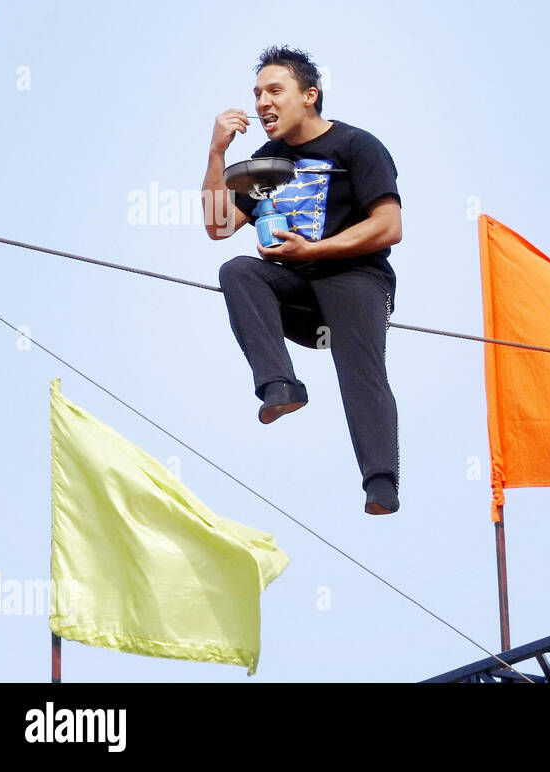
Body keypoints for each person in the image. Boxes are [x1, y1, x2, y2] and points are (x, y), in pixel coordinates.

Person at [201, 45, 402, 515]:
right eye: (257, 94)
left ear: (309, 95)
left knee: (360, 372)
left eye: (275, 90)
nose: (262, 103)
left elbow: (389, 225)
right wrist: (216, 152)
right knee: (237, 269)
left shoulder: (356, 146)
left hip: (355, 280)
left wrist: (314, 250)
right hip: (298, 297)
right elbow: (218, 226)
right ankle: (280, 386)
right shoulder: (265, 158)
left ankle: (380, 481)